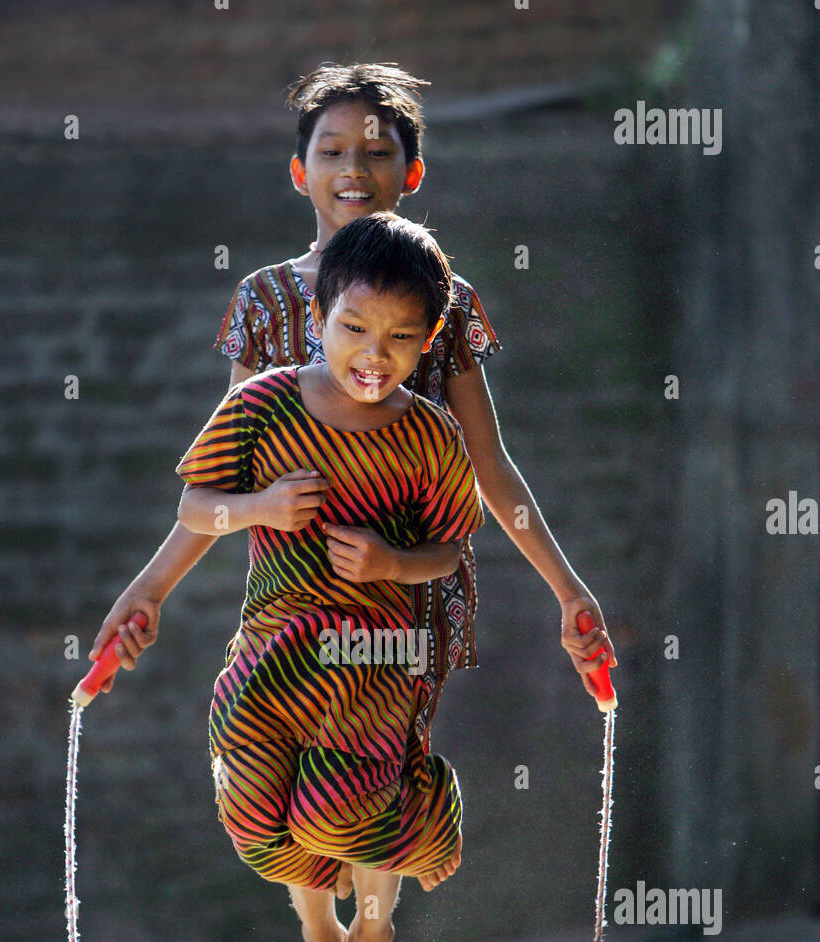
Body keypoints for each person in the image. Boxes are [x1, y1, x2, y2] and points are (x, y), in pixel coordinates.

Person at [90, 61, 616, 725]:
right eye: (332, 151)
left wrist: (568, 591)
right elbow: (228, 474)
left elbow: (489, 466)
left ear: (412, 174)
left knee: (367, 795)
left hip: (404, 595)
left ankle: (420, 826)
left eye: (377, 153)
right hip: (293, 603)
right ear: (299, 172)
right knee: (275, 790)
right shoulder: (264, 299)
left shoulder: (445, 304)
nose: (355, 171)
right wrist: (149, 591)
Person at [174, 214, 484, 942]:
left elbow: (452, 546)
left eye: (401, 337)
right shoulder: (263, 405)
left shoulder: (429, 434)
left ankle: (374, 937)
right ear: (316, 316)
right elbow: (195, 507)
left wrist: (391, 561)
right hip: (272, 652)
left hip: (379, 656)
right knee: (254, 820)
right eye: (353, 328)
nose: (373, 354)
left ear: (427, 345)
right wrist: (258, 509)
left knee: (346, 816)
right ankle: (320, 939)